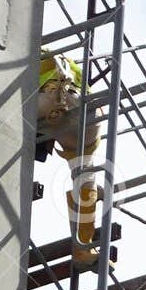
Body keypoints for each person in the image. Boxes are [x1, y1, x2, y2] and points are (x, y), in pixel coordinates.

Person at [36, 48, 104, 266]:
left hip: (51, 98)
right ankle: (83, 248)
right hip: (89, 116)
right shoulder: (75, 70)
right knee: (85, 176)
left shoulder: (37, 50)